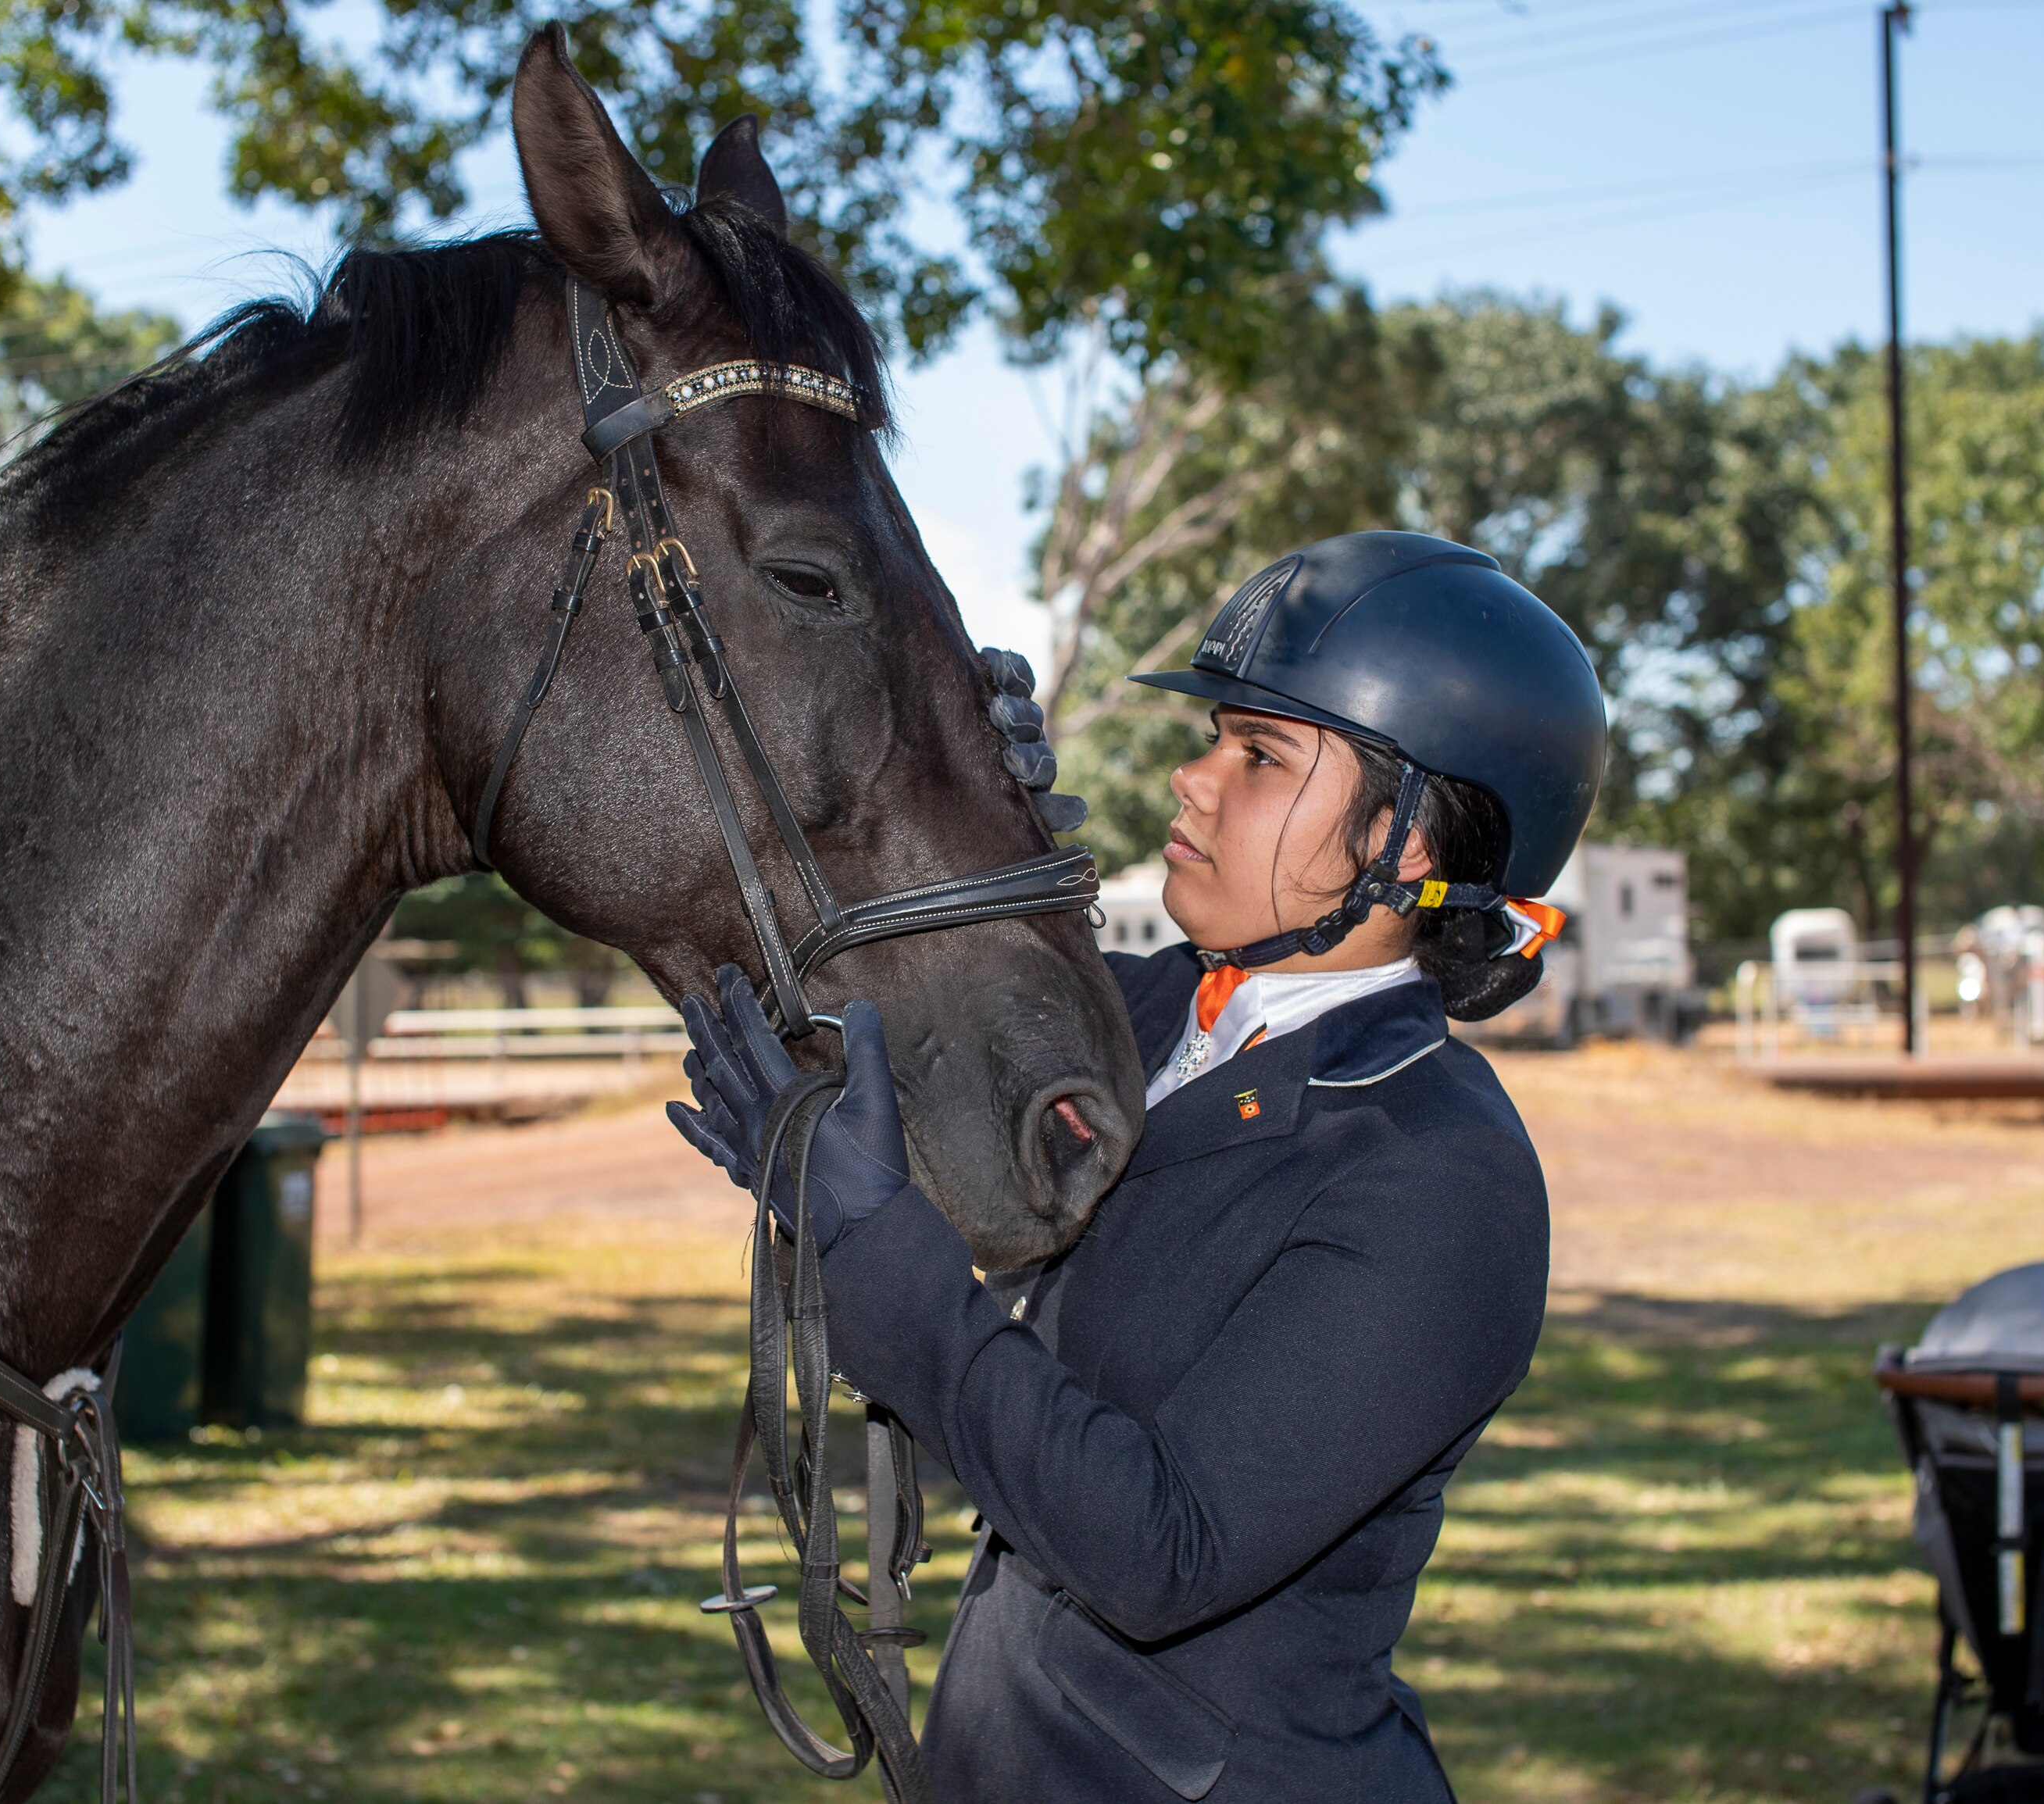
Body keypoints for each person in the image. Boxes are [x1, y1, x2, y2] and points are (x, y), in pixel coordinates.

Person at [670, 531, 1606, 1802]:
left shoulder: (1436, 1171)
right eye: (1216, 735)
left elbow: (1162, 1547)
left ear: (1410, 847)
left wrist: (872, 1237)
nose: (1194, 777)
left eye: (1262, 755)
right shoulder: (1148, 1016)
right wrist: (955, 801)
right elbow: (909, 1013)